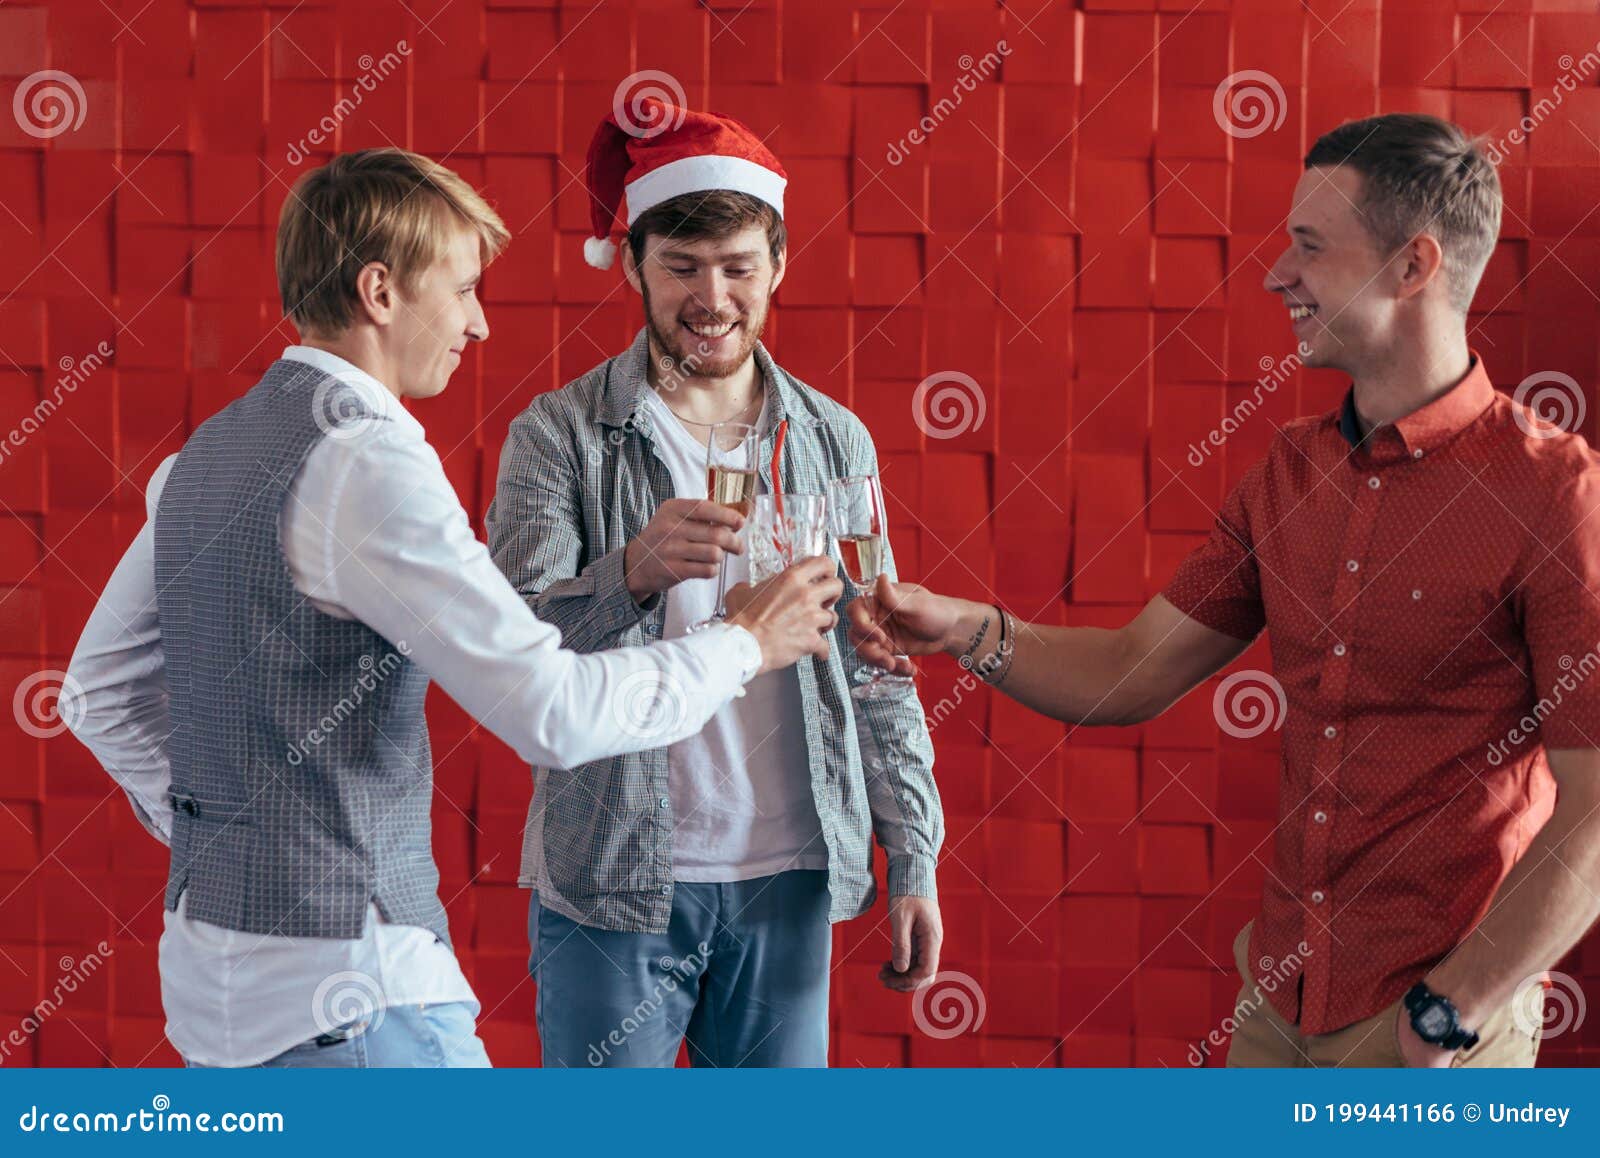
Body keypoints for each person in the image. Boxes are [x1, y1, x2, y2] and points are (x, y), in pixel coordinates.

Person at [61, 146, 841, 1069]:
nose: (476, 324)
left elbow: (97, 693)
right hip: (362, 1000)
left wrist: (232, 842)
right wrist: (743, 643)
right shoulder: (368, 461)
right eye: (464, 289)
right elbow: (555, 711)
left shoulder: (204, 457)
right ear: (382, 292)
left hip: (211, 991)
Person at [849, 113, 1600, 1068]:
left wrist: (1454, 1009)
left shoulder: (1557, 493)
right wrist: (961, 627)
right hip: (1279, 1003)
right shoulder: (1285, 476)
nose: (1277, 274)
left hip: (1440, 1027)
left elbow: (1597, 805)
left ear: (1412, 267)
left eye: (1311, 247)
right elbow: (1129, 670)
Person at [487, 101, 944, 1067]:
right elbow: (511, 655)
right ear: (635, 266)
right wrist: (629, 574)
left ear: (778, 264)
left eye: (739, 268)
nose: (713, 299)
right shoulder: (558, 436)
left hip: (790, 872)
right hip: (609, 877)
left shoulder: (833, 442)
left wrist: (915, 856)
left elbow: (878, 664)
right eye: (682, 269)